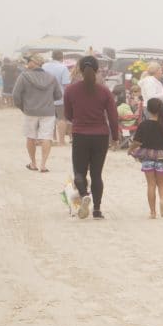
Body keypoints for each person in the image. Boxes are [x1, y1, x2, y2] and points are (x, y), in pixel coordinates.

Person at [62, 55, 120, 219]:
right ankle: (97, 210)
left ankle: (83, 193)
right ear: (97, 70)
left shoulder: (71, 90)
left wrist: (79, 120)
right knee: (96, 174)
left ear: (79, 69)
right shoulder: (104, 91)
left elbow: (68, 114)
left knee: (79, 172)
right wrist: (115, 136)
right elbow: (113, 116)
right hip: (100, 136)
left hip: (80, 134)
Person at [129, 97, 163, 217]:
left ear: (149, 110)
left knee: (151, 184)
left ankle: (152, 212)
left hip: (147, 157)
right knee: (162, 184)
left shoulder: (143, 125)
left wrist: (130, 149)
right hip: (162, 157)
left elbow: (136, 142)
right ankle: (162, 201)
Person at [12, 53, 62, 171]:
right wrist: (47, 101)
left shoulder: (24, 76)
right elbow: (58, 95)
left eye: (29, 61)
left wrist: (22, 107)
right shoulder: (51, 77)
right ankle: (43, 165)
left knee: (30, 137)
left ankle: (33, 163)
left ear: (34, 63)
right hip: (48, 112)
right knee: (46, 137)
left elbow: (15, 95)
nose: (27, 63)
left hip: (30, 111)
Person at [43, 50, 72, 141]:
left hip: (46, 97)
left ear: (52, 56)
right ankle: (61, 140)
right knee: (61, 119)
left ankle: (53, 138)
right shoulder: (63, 68)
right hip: (60, 98)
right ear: (62, 57)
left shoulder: (44, 66)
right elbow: (66, 85)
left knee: (50, 119)